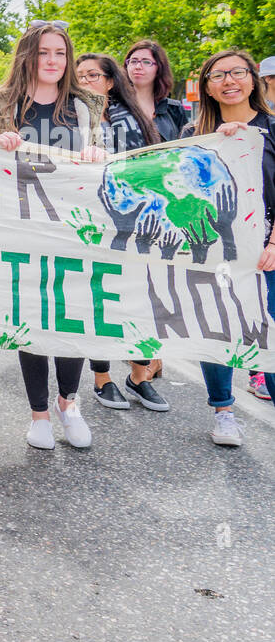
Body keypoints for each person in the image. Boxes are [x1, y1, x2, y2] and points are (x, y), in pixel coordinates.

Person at [0, 21, 105, 450]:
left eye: (60, 53)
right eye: (44, 52)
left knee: (73, 317)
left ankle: (69, 404)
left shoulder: (85, 104)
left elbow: (104, 159)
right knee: (31, 319)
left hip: (74, 228)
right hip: (20, 229)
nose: (53, 61)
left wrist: (97, 154)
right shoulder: (0, 101)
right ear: (27, 56)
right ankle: (39, 415)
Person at [179, 49, 275, 446]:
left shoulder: (272, 128)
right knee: (216, 330)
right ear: (207, 88)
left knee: (268, 330)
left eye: (238, 72)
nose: (229, 80)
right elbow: (179, 192)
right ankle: (223, 412)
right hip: (213, 251)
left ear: (254, 80)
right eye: (218, 75)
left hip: (266, 252)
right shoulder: (192, 136)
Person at [74, 52, 171, 413]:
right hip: (88, 226)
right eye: (79, 76)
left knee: (140, 300)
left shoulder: (131, 120)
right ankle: (102, 378)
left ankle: (138, 377)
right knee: (98, 302)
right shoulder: (68, 120)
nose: (85, 82)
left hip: (135, 224)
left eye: (93, 75)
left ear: (111, 81)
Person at [123, 40, 188, 143]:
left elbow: (186, 148)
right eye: (133, 61)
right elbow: (111, 147)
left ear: (159, 68)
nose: (138, 67)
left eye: (146, 62)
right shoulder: (115, 108)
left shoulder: (174, 109)